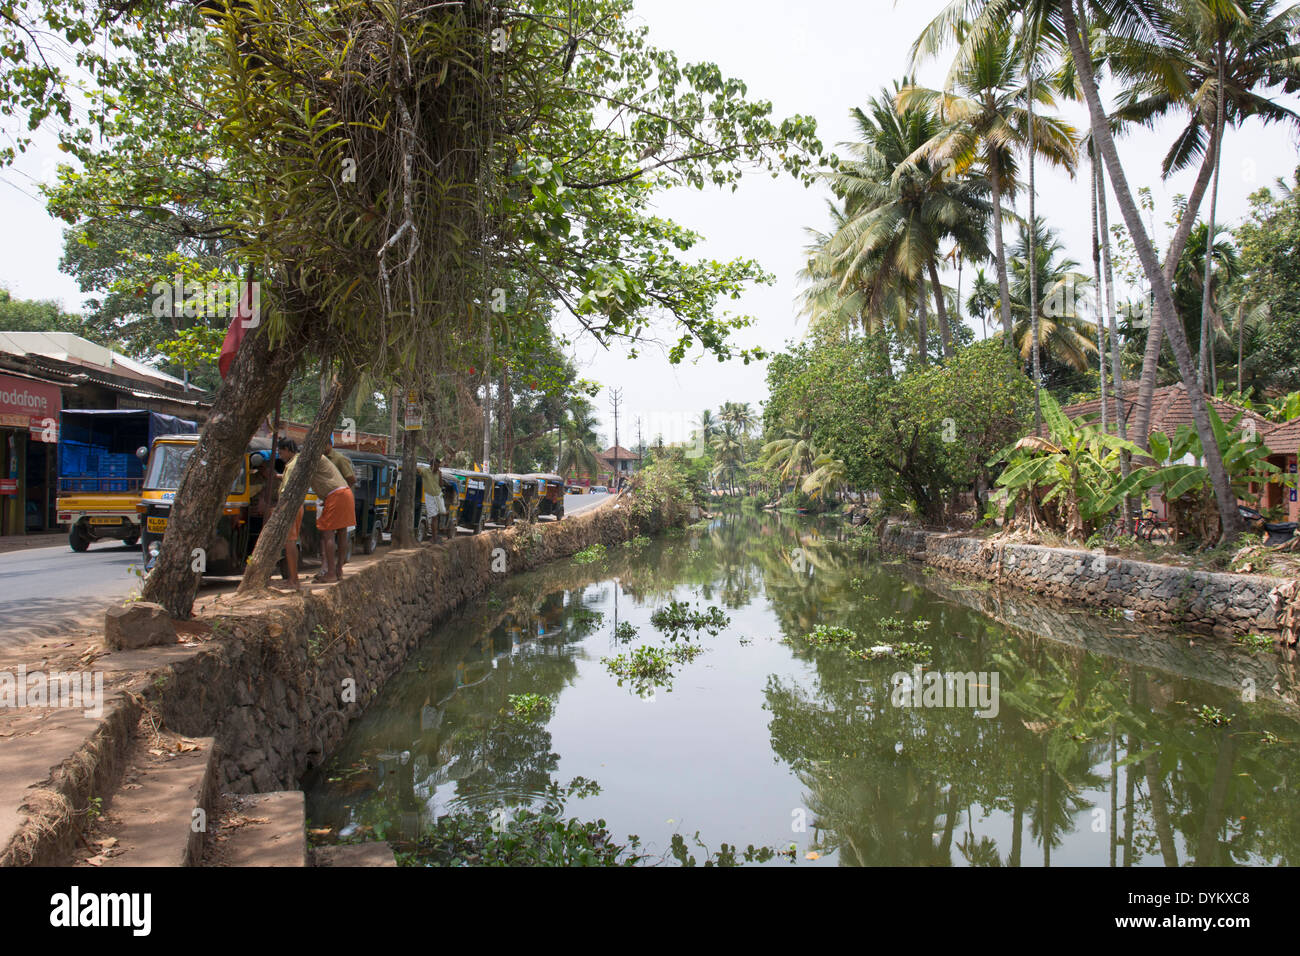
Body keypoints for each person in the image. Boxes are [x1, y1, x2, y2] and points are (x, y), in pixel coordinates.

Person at [279, 437, 354, 584]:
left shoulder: (300, 461)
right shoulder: (317, 458)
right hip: (344, 492)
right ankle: (338, 570)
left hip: (335, 494)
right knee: (342, 532)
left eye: (281, 453)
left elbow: (289, 484)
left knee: (328, 534)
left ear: (288, 450)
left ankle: (331, 572)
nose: (280, 456)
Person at [325, 438, 357, 568]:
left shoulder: (339, 459)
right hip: (328, 497)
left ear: (329, 444)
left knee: (336, 532)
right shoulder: (321, 458)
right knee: (329, 533)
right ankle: (331, 566)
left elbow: (351, 479)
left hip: (339, 497)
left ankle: (337, 567)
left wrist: (340, 493)